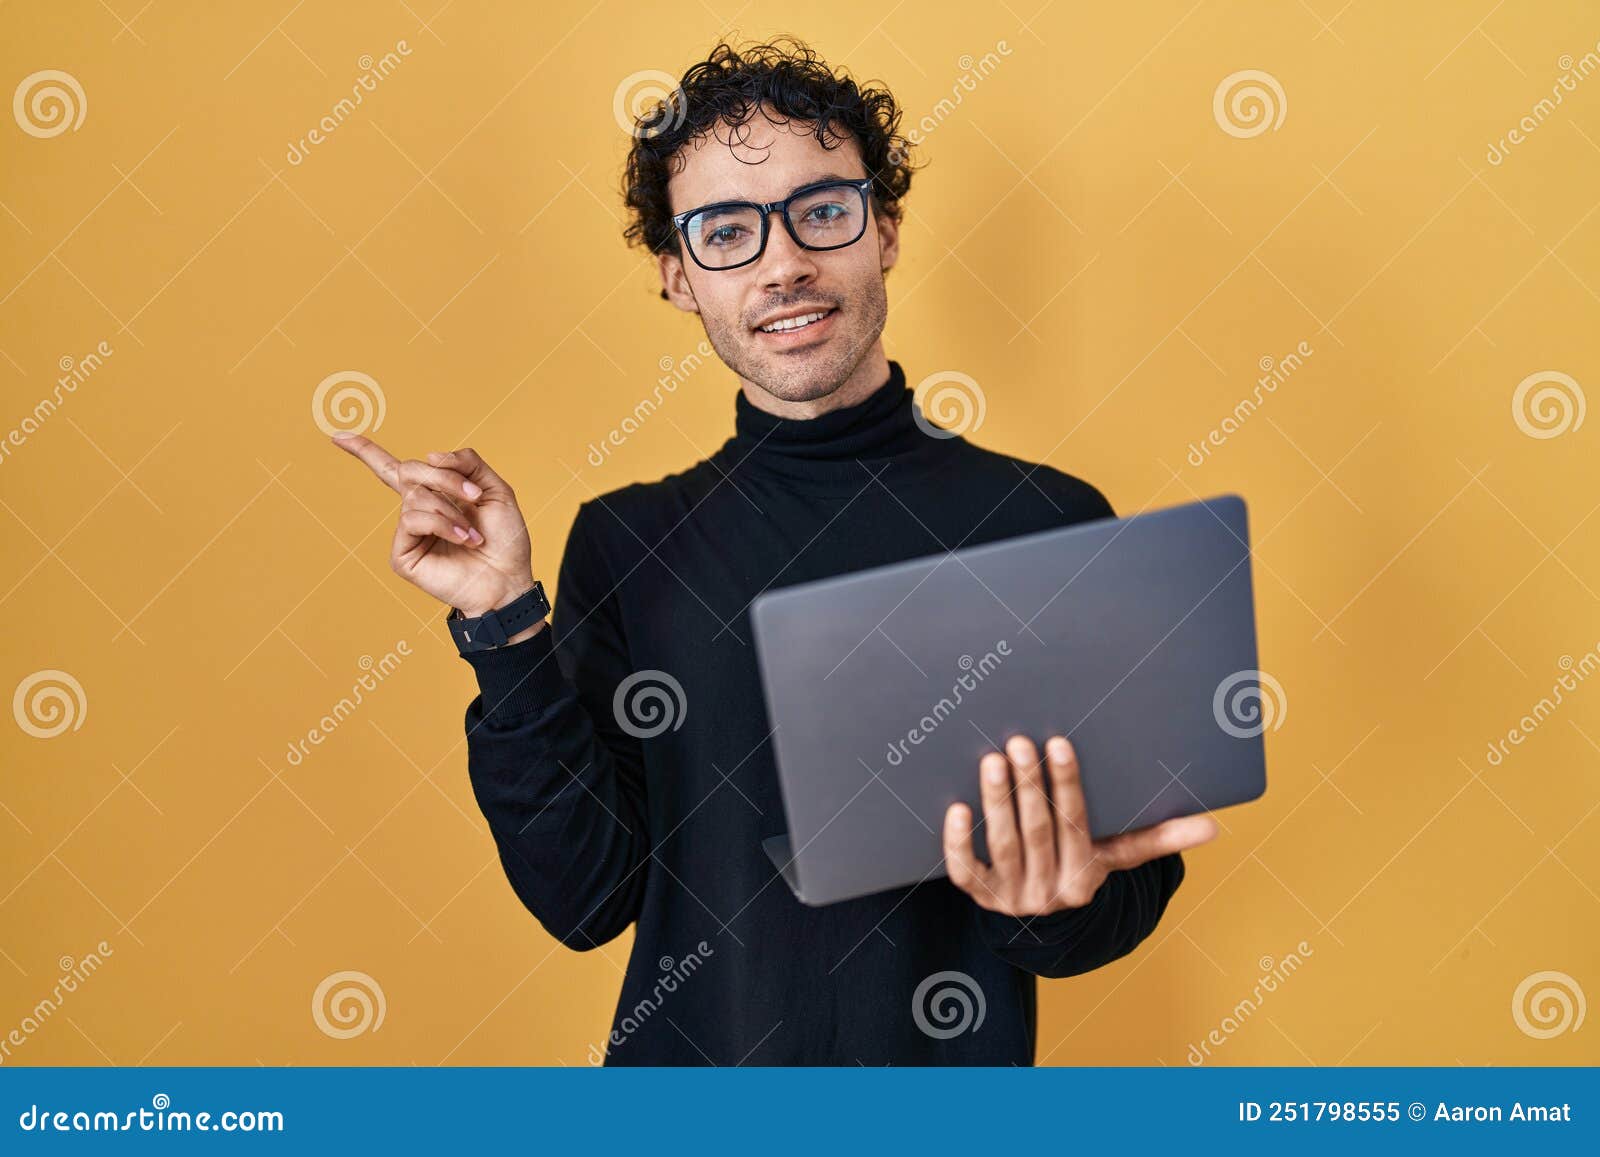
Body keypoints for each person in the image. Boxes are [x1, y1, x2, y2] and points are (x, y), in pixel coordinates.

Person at [333, 37, 1218, 1065]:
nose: (783, 262)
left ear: (883, 229)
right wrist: (502, 623)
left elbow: (1113, 902)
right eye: (725, 232)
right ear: (676, 278)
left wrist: (1052, 904)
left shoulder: (1048, 521)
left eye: (823, 211)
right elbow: (585, 899)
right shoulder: (628, 542)